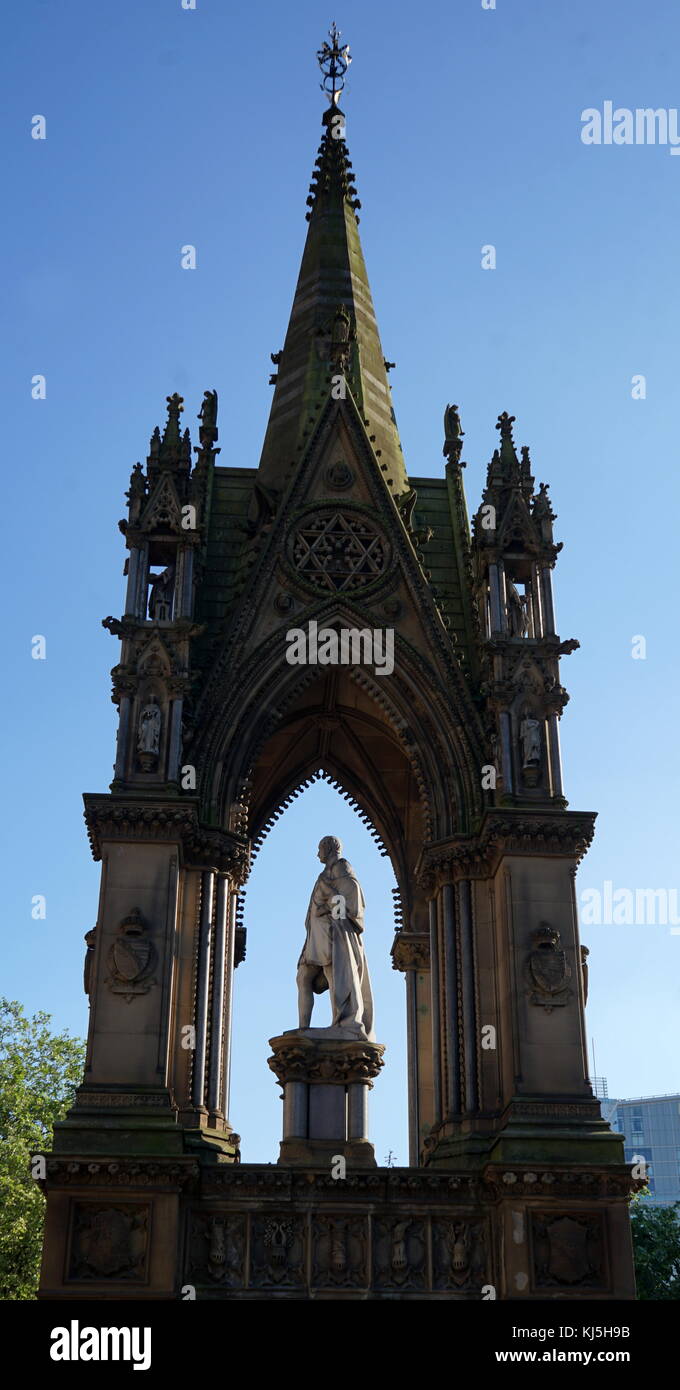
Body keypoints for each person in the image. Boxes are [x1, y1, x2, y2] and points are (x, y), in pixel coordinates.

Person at [296, 835, 374, 1040]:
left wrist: (330, 909)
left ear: (329, 848)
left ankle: (343, 1023)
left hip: (332, 932)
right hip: (316, 934)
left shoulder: (342, 868)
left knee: (335, 974)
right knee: (303, 976)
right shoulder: (326, 873)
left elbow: (350, 900)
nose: (317, 854)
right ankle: (303, 1028)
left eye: (320, 849)